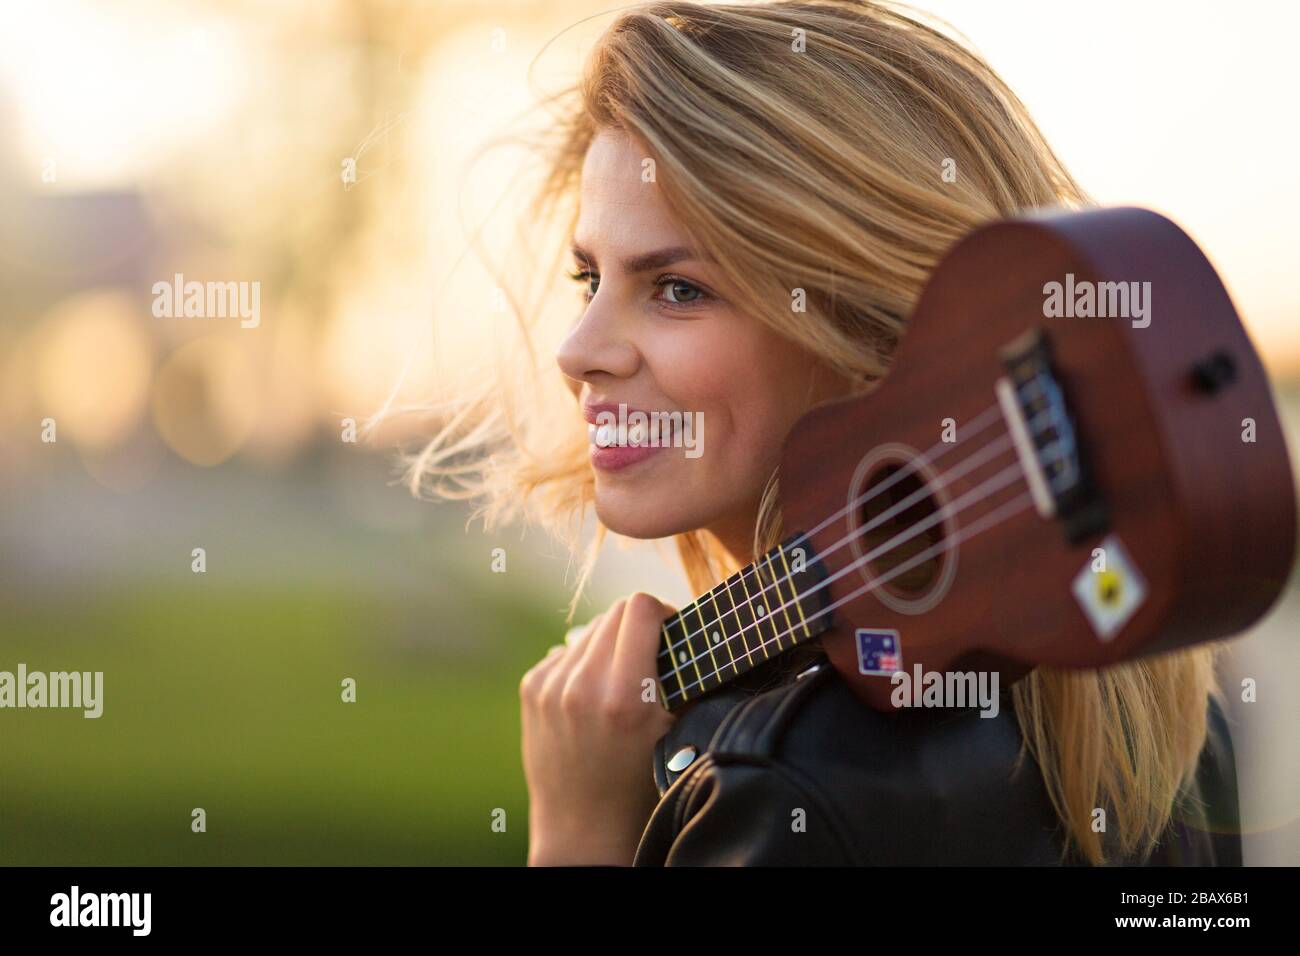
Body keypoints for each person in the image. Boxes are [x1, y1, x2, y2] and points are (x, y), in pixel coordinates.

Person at [406, 0, 1241, 865]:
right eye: (590, 278)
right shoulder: (1156, 697)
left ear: (876, 323)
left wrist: (576, 832)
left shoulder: (780, 785)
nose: (577, 353)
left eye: (678, 289)